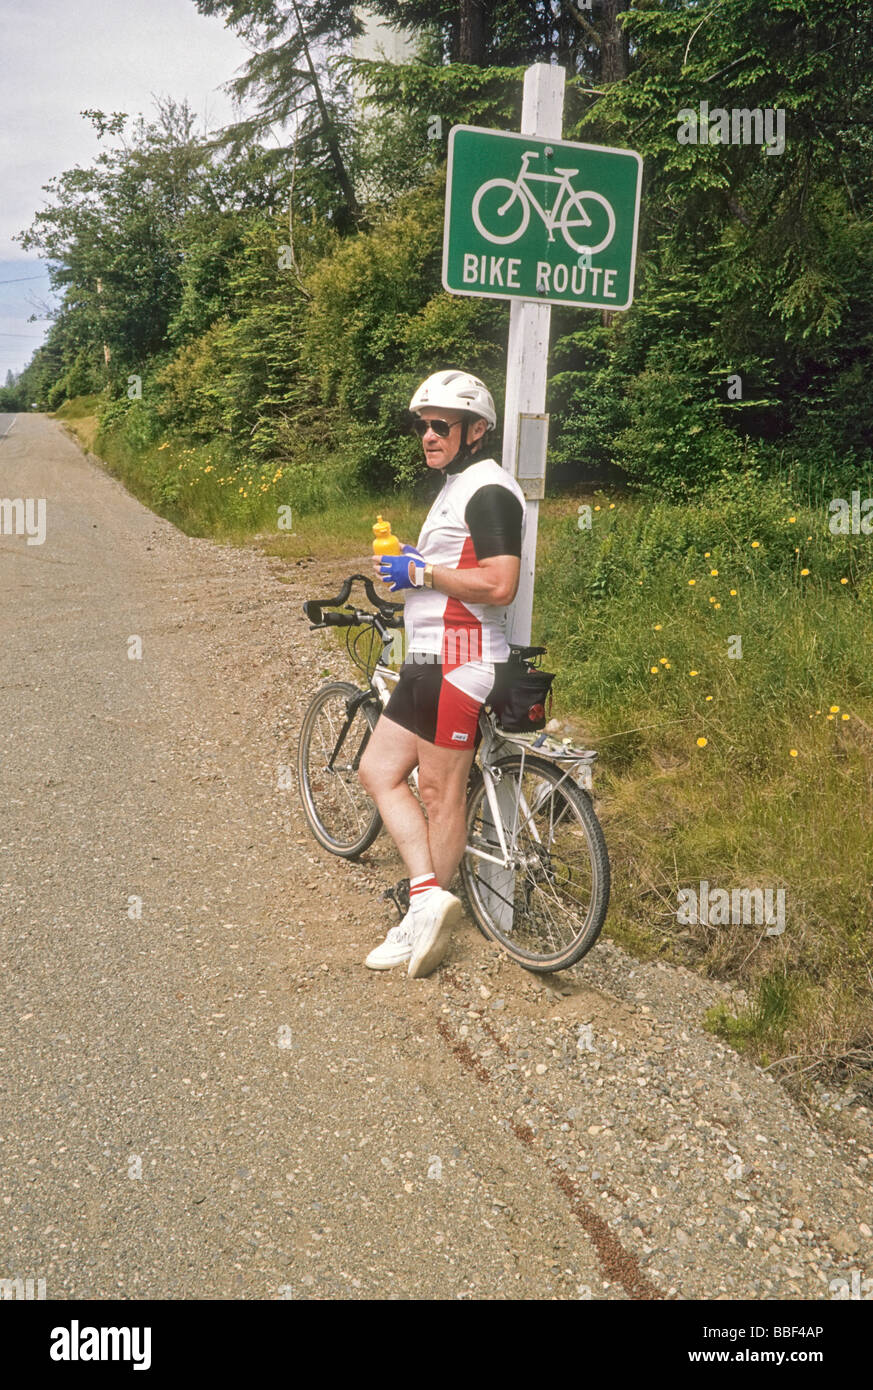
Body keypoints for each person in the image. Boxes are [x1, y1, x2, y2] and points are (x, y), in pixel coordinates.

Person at [358, 369, 526, 978]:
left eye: (440, 425)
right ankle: (427, 896)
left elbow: (499, 585)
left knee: (438, 792)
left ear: (477, 430)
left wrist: (422, 574)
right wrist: (410, 567)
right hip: (428, 657)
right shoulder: (455, 486)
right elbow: (450, 566)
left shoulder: (489, 490)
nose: (427, 435)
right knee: (376, 770)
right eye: (422, 425)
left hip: (465, 659)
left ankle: (424, 921)